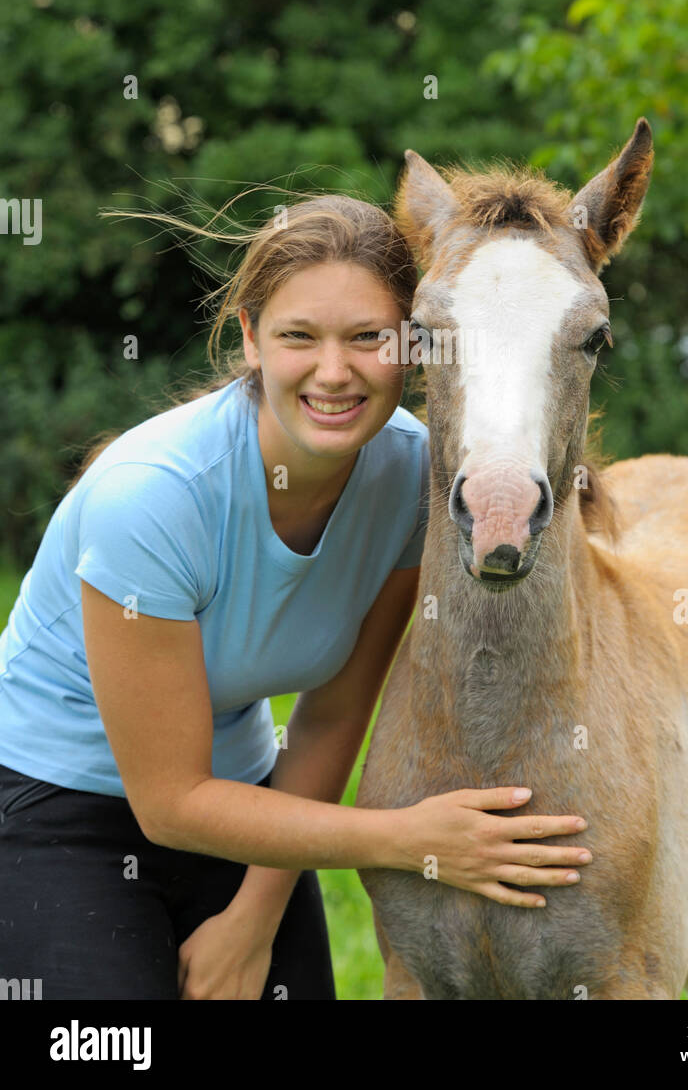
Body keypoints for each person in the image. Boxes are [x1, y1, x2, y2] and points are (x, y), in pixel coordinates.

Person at [0, 189, 592, 1001]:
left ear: (413, 346)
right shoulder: (150, 498)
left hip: (247, 807)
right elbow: (169, 804)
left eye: (367, 339)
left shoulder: (411, 481)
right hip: (55, 809)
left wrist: (252, 920)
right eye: (298, 337)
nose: (333, 371)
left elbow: (334, 712)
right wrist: (410, 840)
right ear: (249, 339)